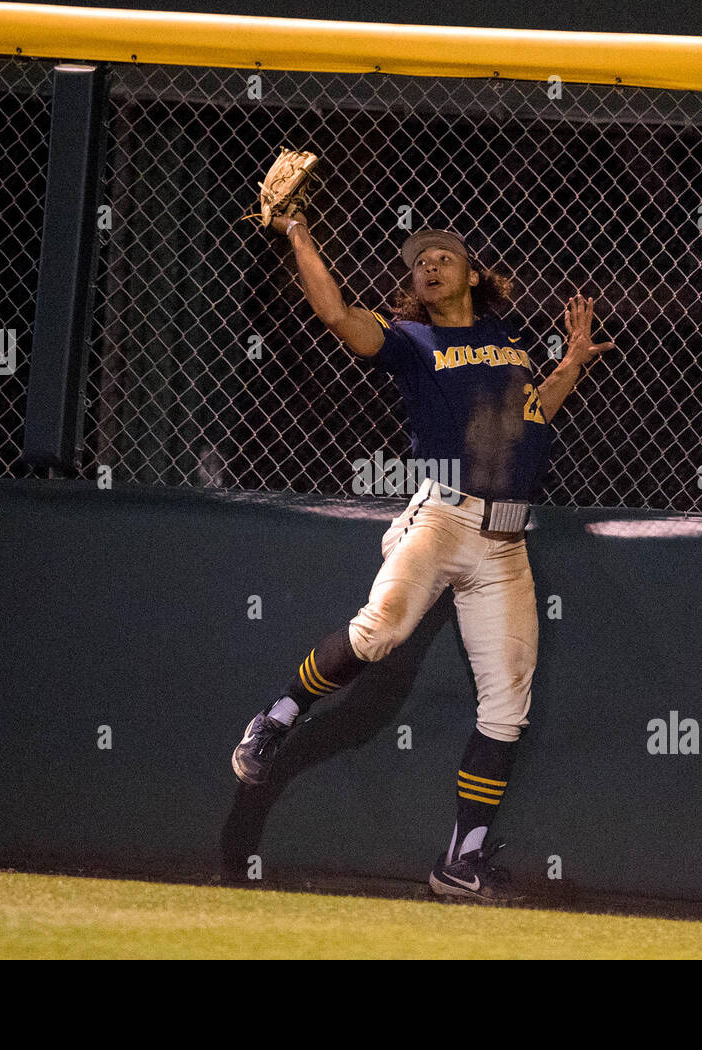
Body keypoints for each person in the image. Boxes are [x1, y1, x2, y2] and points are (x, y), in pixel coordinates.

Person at [232, 208, 613, 902]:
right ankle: (278, 717)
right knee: (377, 634)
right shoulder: (411, 337)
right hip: (442, 516)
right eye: (418, 261)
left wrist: (569, 366)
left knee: (506, 708)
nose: (428, 265)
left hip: (506, 543)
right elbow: (334, 313)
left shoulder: (510, 338)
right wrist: (296, 231)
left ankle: (459, 863)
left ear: (473, 273)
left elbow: (534, 413)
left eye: (443, 256)